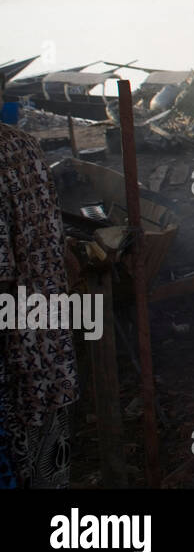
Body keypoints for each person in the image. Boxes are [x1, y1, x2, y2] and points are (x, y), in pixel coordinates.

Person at [0, 103, 78, 488]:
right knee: (50, 435)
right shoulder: (27, 146)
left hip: (15, 328)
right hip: (48, 315)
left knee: (16, 442)